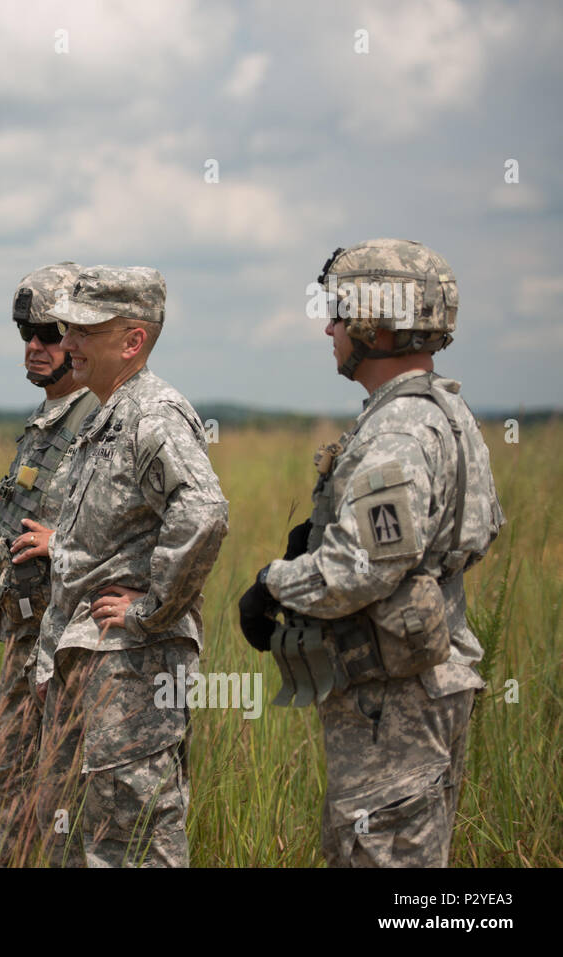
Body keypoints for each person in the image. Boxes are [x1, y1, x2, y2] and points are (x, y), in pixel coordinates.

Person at [237, 238, 505, 867]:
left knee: (378, 856)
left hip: (397, 698)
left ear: (376, 326)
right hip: (424, 681)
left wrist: (271, 585)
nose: (329, 326)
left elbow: (357, 570)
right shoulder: (447, 410)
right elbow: (471, 533)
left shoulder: (398, 430)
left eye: (340, 311)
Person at [27, 265, 229, 867]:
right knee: (78, 833)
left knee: (134, 839)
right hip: (88, 657)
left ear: (132, 341)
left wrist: (150, 610)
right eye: (69, 329)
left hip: (132, 666)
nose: (68, 344)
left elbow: (204, 512)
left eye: (87, 331)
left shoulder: (154, 414)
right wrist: (62, 545)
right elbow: (119, 528)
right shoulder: (107, 414)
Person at [0, 262, 100, 866]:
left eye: (48, 333)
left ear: (78, 338)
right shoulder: (47, 422)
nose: (35, 347)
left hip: (67, 644)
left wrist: (63, 543)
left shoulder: (102, 419)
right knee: (4, 794)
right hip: (24, 635)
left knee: (62, 801)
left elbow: (149, 527)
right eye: (26, 334)